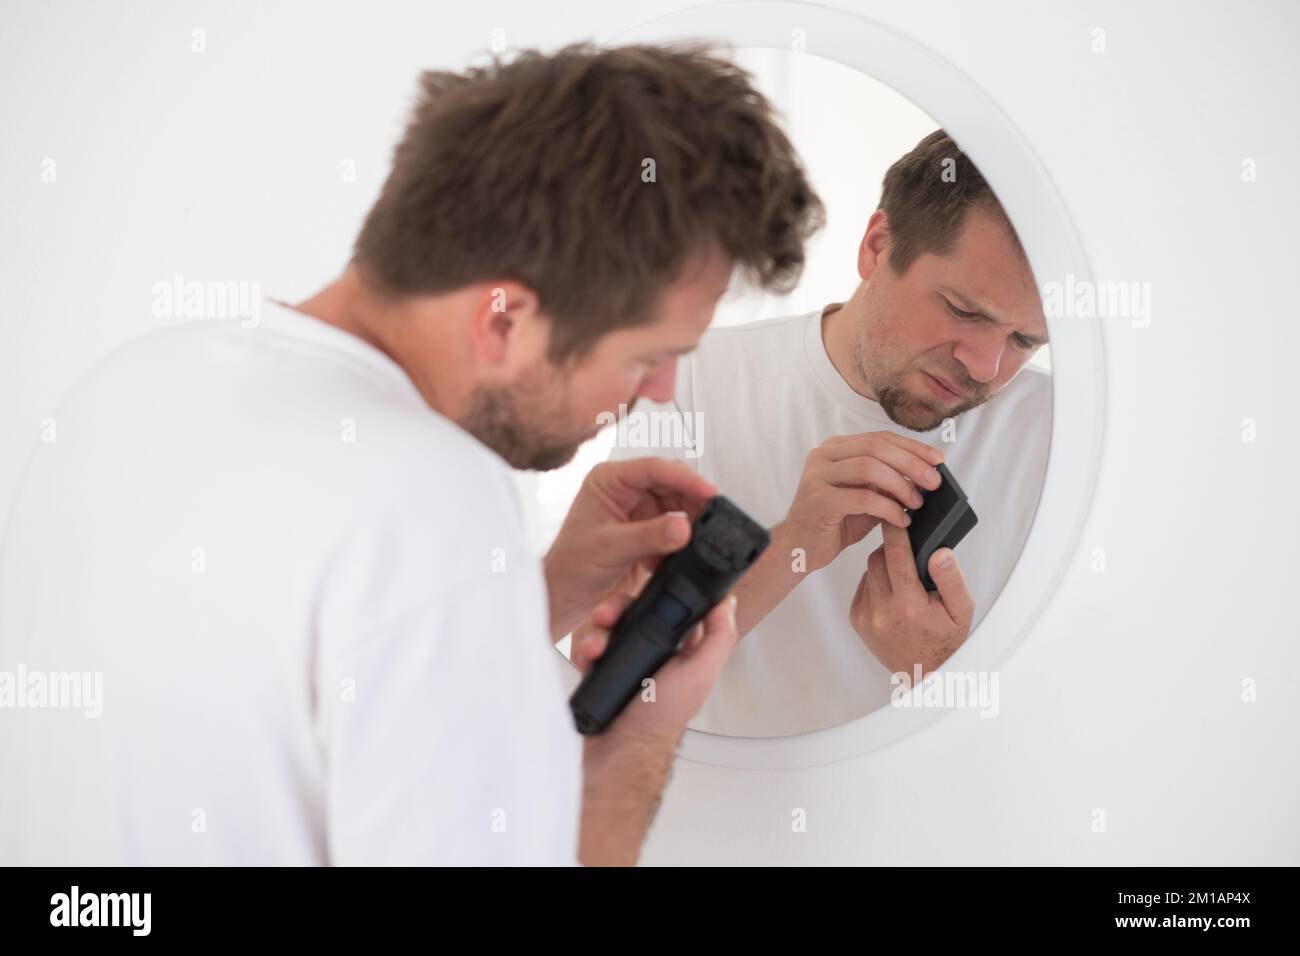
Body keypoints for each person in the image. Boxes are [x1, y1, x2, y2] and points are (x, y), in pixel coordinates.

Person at [0, 44, 824, 865]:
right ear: (504, 320)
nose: (661, 391)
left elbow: (276, 709)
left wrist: (517, 603)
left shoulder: (130, 384)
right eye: (647, 356)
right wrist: (642, 735)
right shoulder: (432, 502)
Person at [586, 130, 1051, 737]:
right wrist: (793, 544)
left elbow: (1071, 734)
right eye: (964, 311)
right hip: (713, 813)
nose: (986, 366)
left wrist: (937, 671)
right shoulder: (693, 381)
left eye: (1024, 340)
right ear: (878, 246)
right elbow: (607, 676)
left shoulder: (1056, 435)